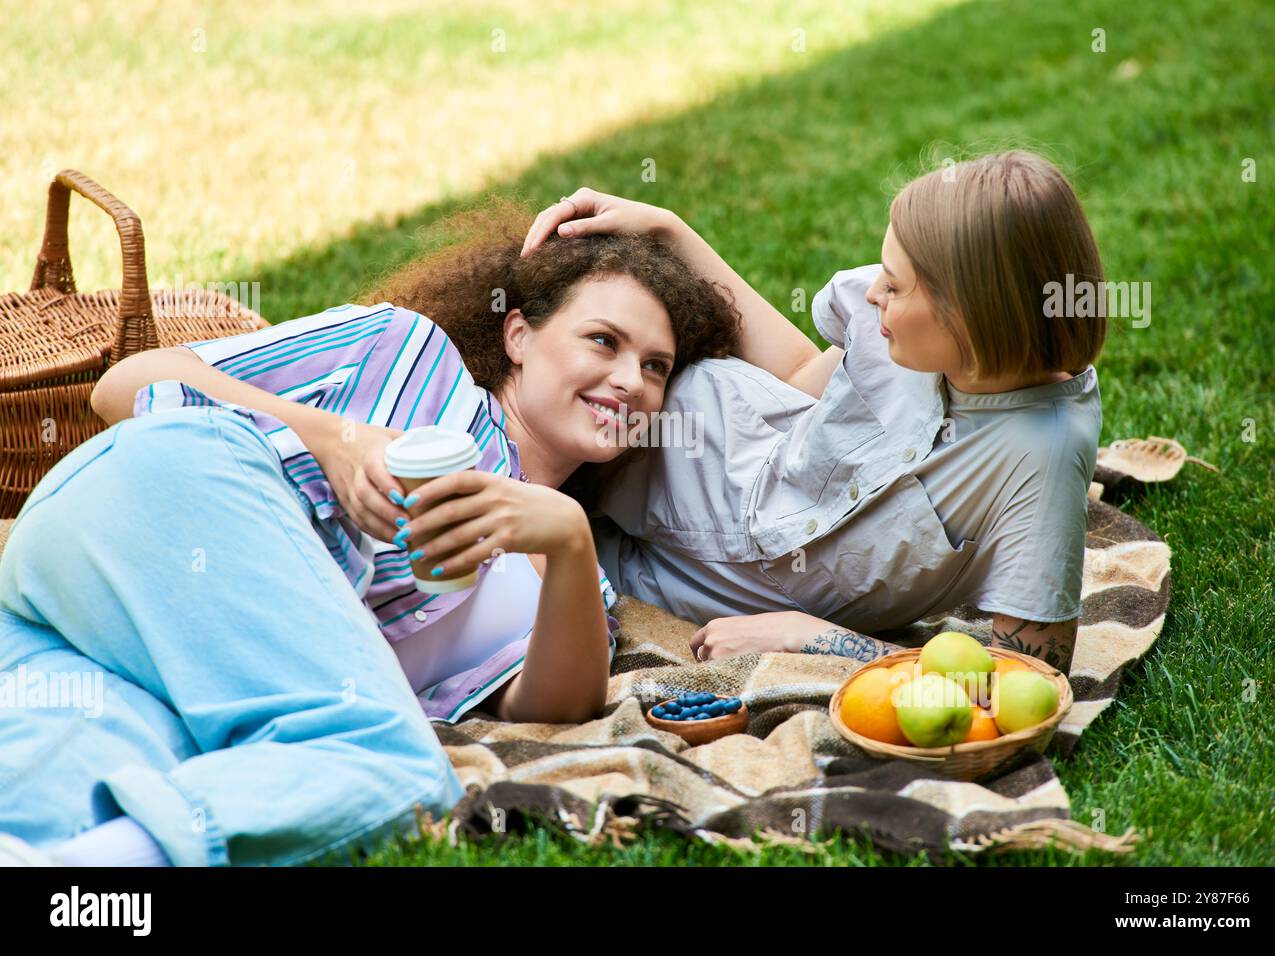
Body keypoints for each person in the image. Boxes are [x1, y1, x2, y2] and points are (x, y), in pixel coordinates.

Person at [0, 213, 739, 866]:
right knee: (394, 771)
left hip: (140, 655)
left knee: (62, 790)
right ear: (518, 334)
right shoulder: (405, 354)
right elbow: (125, 385)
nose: (628, 380)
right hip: (152, 505)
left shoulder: (571, 578)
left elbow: (550, 712)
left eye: (655, 367)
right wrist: (336, 441)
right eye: (602, 341)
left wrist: (571, 541)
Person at [520, 150, 1106, 675]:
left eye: (895, 286)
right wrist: (669, 231)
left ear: (972, 314)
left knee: (522, 566)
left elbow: (1021, 683)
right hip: (670, 433)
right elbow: (800, 377)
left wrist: (816, 639)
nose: (873, 293)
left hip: (672, 582)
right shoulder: (903, 328)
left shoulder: (1040, 452)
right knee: (490, 452)